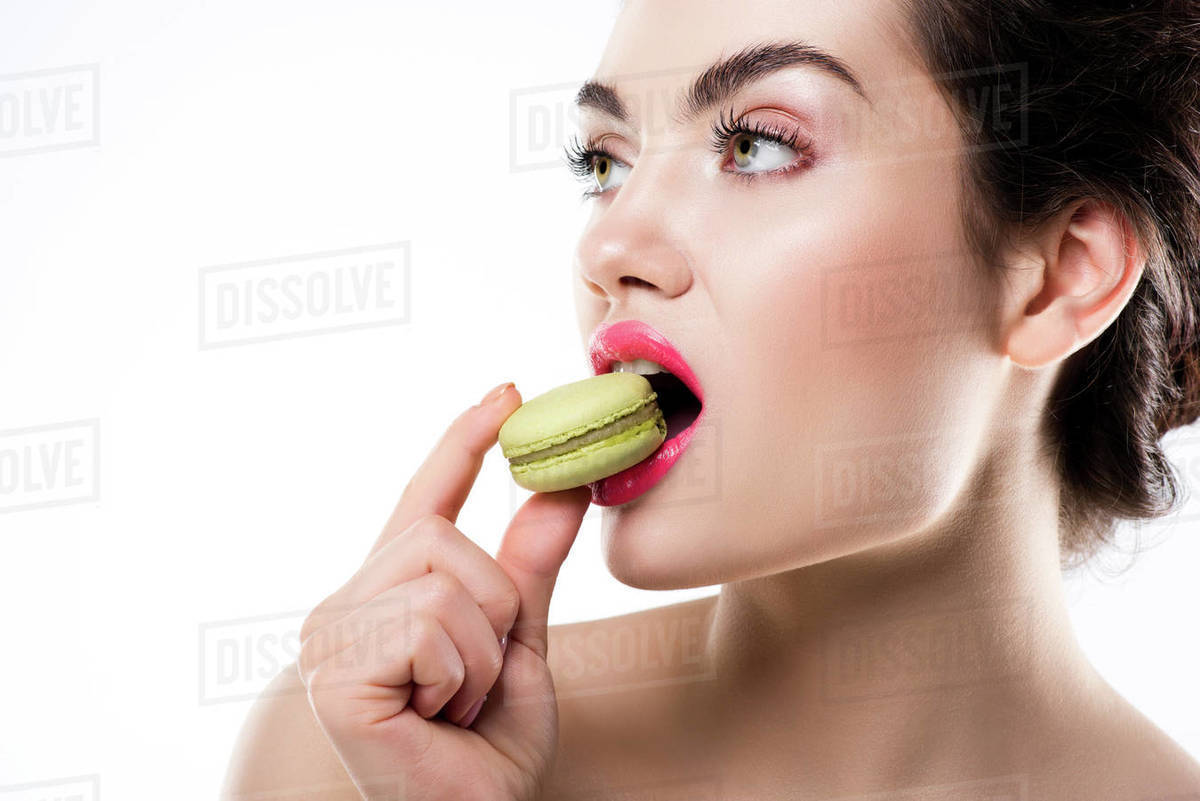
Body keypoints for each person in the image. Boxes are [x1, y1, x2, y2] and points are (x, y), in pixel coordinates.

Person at [223, 0, 1200, 798]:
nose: (608, 249)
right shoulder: (359, 750)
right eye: (604, 162)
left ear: (1057, 279)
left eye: (759, 147)